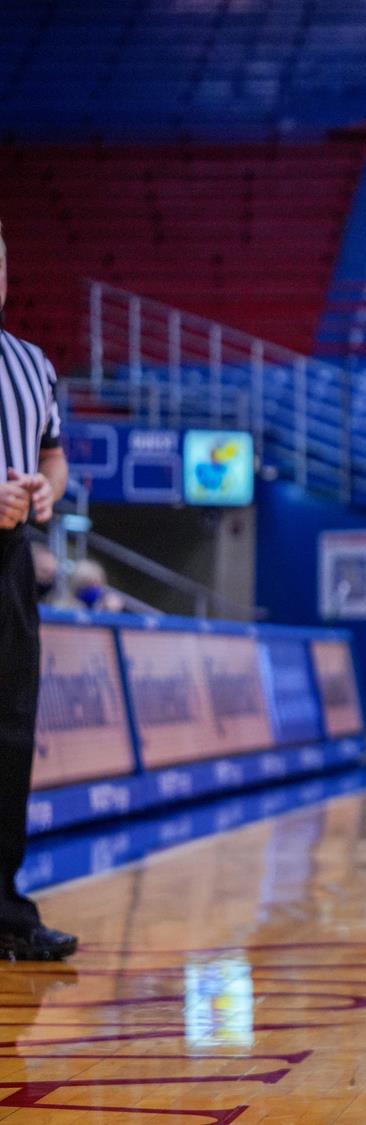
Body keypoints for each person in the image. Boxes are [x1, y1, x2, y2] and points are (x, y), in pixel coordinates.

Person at [0, 221, 79, 961]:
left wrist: (44, 493)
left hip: (10, 559)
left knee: (11, 730)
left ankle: (5, 908)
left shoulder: (31, 364)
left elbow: (52, 457)